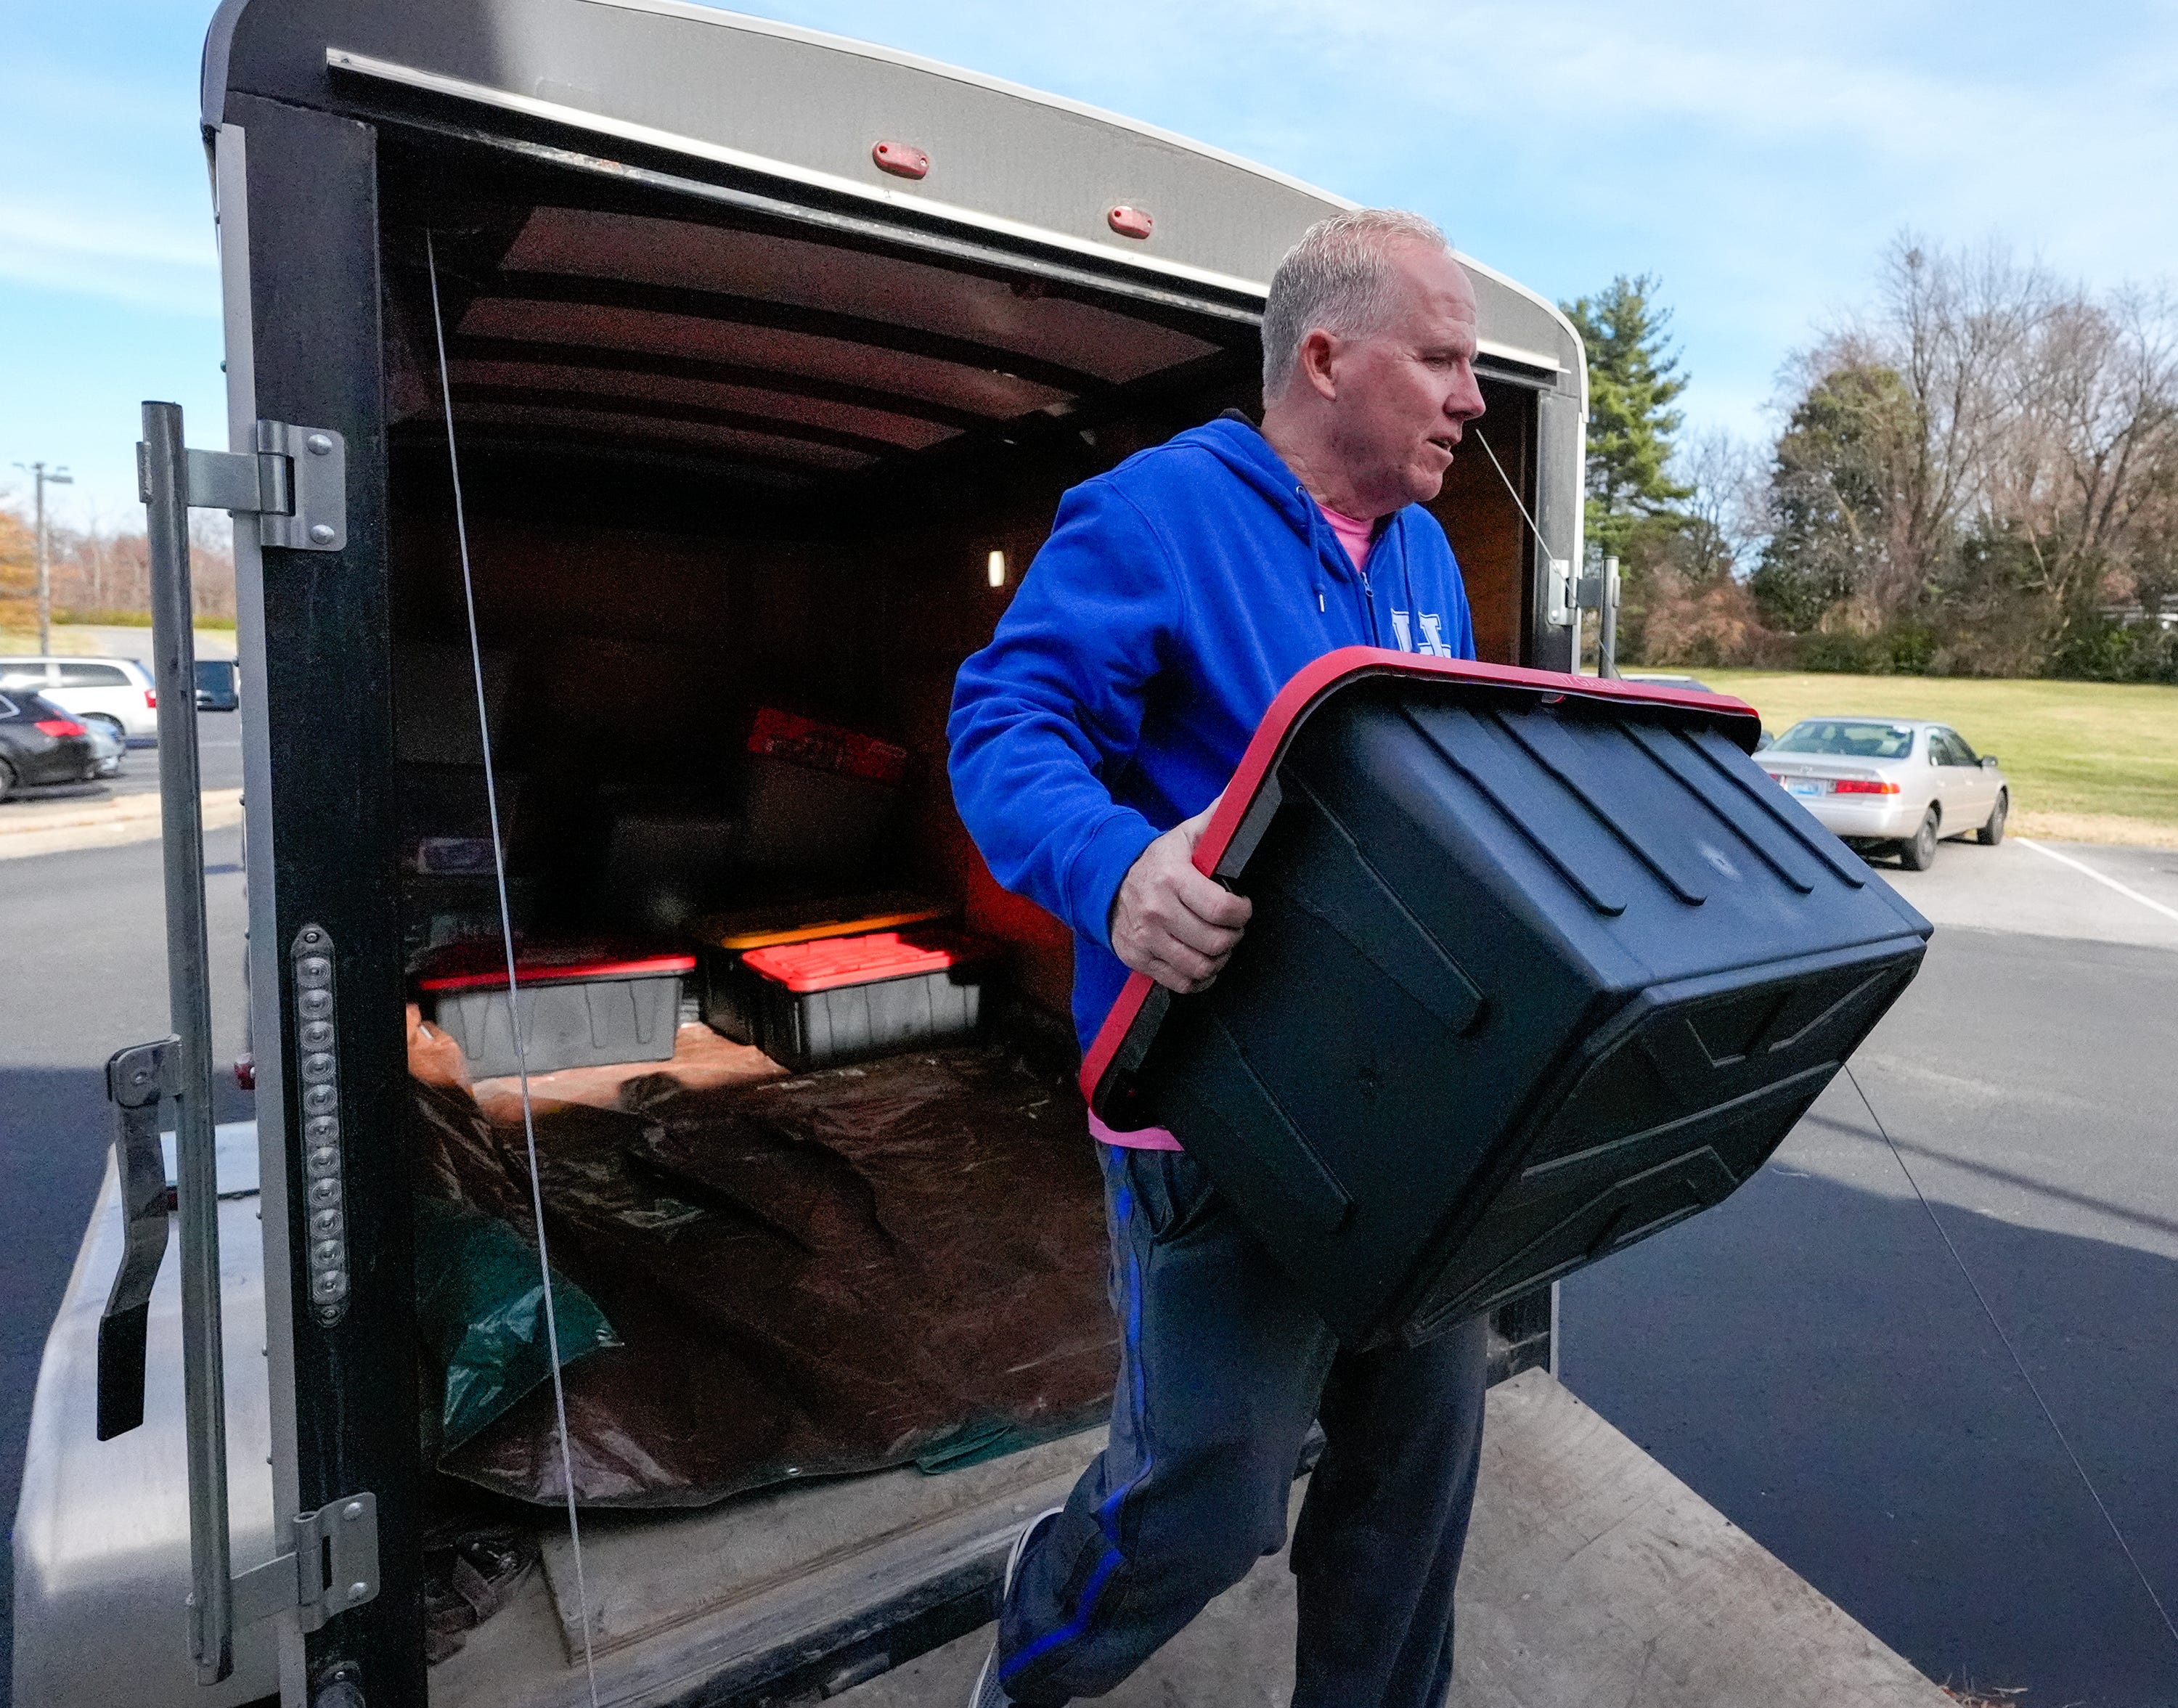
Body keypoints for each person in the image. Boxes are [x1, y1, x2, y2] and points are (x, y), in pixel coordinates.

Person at [947, 208, 1491, 1708]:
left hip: (1402, 1118)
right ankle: (1035, 1661)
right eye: (1441, 358)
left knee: (1415, 1472)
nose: (1474, 396)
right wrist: (1119, 868)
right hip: (1215, 1115)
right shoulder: (1151, 515)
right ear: (1323, 355)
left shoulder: (1429, 549)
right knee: (1209, 1497)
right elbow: (1006, 725)